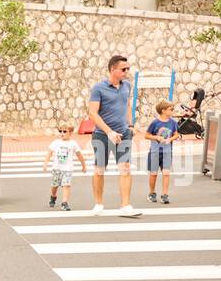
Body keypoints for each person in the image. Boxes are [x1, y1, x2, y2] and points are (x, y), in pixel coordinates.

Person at [86, 54, 141, 217]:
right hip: (102, 135)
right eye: (124, 69)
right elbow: (92, 113)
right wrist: (109, 132)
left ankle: (125, 205)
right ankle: (98, 204)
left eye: (128, 69)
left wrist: (131, 125)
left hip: (123, 134)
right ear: (113, 69)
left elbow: (128, 104)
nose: (127, 72)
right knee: (99, 169)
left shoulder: (127, 86)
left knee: (125, 168)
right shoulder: (98, 88)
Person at [44, 123, 87, 211]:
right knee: (54, 186)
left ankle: (64, 203)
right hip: (56, 168)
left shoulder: (73, 144)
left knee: (66, 185)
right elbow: (49, 153)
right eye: (60, 131)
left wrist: (83, 165)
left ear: (70, 133)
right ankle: (53, 196)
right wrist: (46, 163)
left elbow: (79, 155)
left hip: (67, 169)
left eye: (64, 131)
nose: (62, 133)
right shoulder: (56, 142)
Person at [145, 100, 179, 204]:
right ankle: (151, 193)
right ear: (163, 111)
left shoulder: (173, 122)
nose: (172, 111)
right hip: (155, 152)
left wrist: (171, 139)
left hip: (167, 152)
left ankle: (164, 195)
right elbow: (146, 135)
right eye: (170, 109)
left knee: (166, 173)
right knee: (153, 174)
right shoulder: (155, 122)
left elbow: (176, 134)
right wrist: (156, 137)